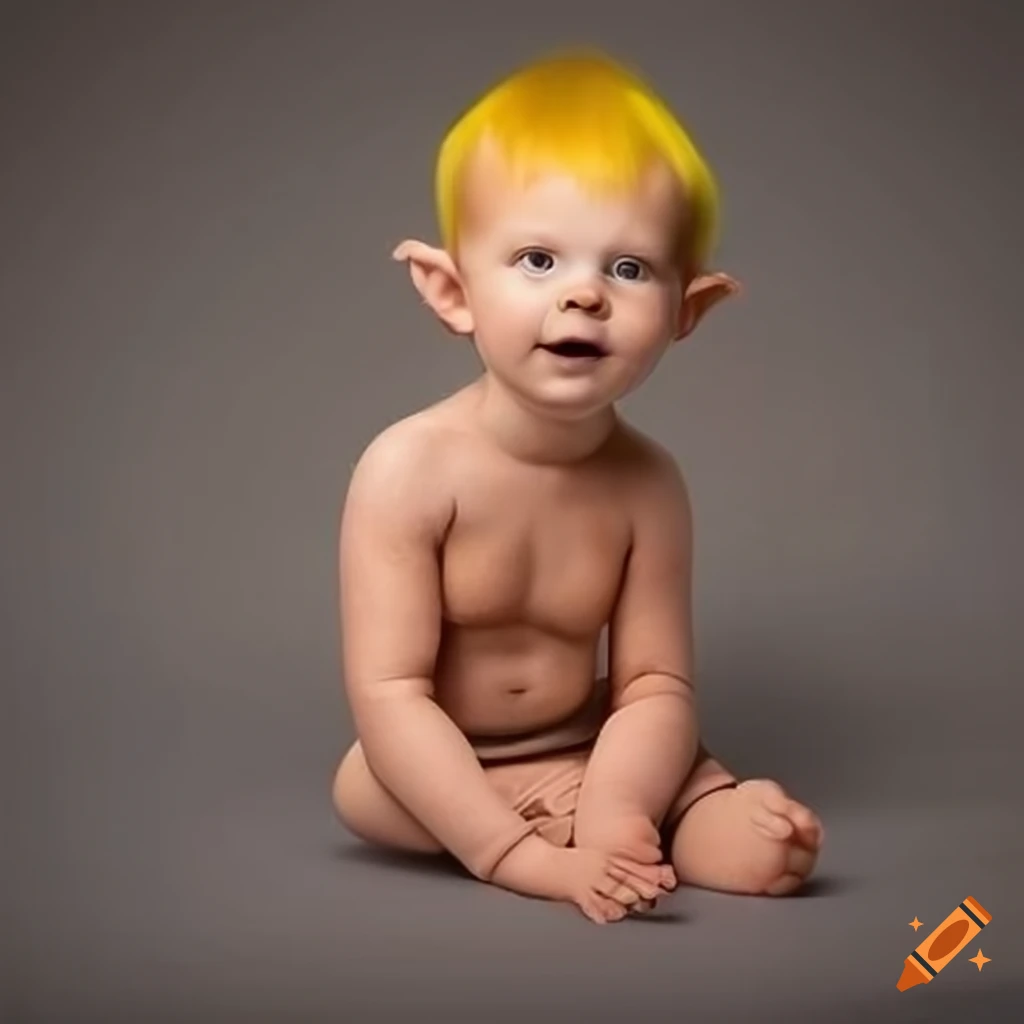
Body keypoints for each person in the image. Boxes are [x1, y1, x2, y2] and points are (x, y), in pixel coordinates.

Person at [332, 49, 824, 924]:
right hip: (436, 759)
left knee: (741, 834)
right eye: (536, 259)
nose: (586, 296)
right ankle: (582, 835)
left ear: (686, 312)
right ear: (453, 290)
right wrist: (520, 861)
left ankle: (631, 821)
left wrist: (613, 802)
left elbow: (653, 685)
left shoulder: (649, 485)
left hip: (597, 745)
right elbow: (391, 694)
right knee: (365, 787)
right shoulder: (407, 469)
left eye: (628, 269)